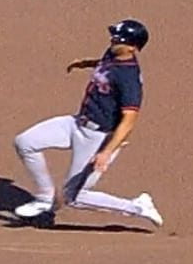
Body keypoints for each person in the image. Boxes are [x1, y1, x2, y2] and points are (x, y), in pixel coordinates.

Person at [11, 18, 164, 227]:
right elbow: (106, 65)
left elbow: (129, 120)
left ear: (132, 47)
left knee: (74, 196)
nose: (113, 39)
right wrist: (86, 63)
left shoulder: (129, 79)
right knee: (25, 142)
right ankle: (45, 199)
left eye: (119, 38)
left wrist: (106, 152)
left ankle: (137, 206)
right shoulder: (113, 53)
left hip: (97, 138)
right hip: (77, 123)